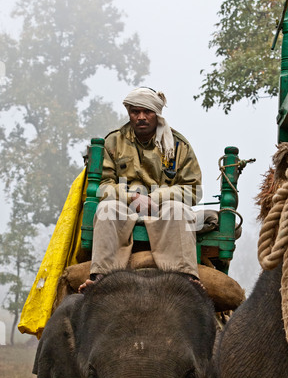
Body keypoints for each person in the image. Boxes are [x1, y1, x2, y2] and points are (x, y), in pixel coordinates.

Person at [79, 87, 202, 291]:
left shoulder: (179, 146)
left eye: (148, 112)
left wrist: (157, 198)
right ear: (129, 112)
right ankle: (101, 277)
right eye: (136, 112)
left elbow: (193, 190)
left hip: (163, 209)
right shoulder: (113, 142)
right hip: (123, 206)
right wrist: (132, 198)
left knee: (179, 211)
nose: (141, 117)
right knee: (106, 209)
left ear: (157, 113)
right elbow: (102, 186)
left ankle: (185, 278)